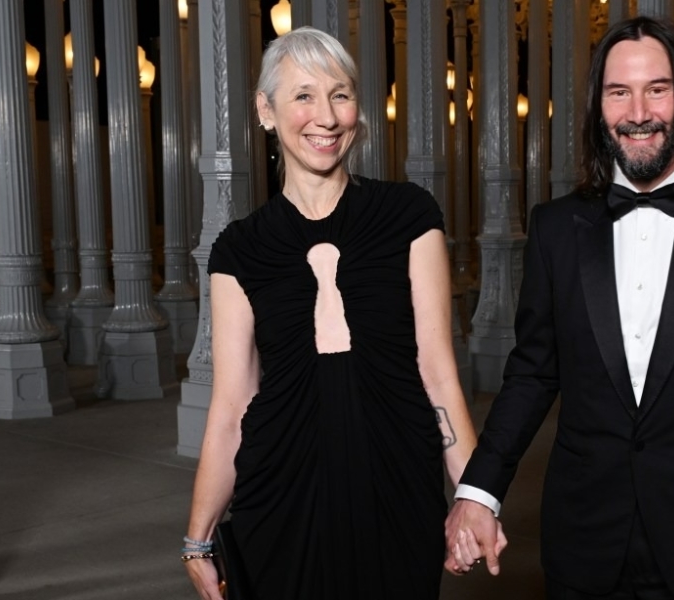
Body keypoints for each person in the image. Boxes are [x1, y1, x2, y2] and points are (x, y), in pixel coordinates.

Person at [444, 15, 674, 600]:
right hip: (584, 533)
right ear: (599, 107)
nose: (638, 111)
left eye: (658, 89)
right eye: (619, 91)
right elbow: (532, 372)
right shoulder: (554, 228)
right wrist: (478, 492)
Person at [182, 26, 478, 600]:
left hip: (396, 483)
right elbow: (231, 407)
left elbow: (439, 372)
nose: (327, 116)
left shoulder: (409, 216)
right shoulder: (238, 250)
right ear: (265, 111)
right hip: (279, 491)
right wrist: (198, 538)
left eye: (340, 94)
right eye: (304, 96)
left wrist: (475, 495)